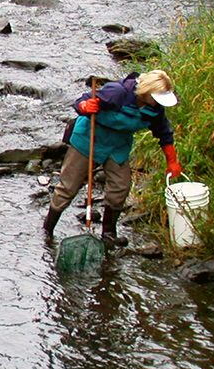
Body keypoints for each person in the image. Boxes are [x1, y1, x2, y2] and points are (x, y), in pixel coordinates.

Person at [43, 69, 183, 248]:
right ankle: (48, 228)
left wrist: (172, 161)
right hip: (89, 138)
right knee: (68, 186)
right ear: (146, 92)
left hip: (118, 145)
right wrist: (85, 107)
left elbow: (164, 133)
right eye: (156, 99)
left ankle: (109, 233)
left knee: (120, 186)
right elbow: (81, 101)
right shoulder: (117, 93)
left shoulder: (155, 109)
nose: (158, 103)